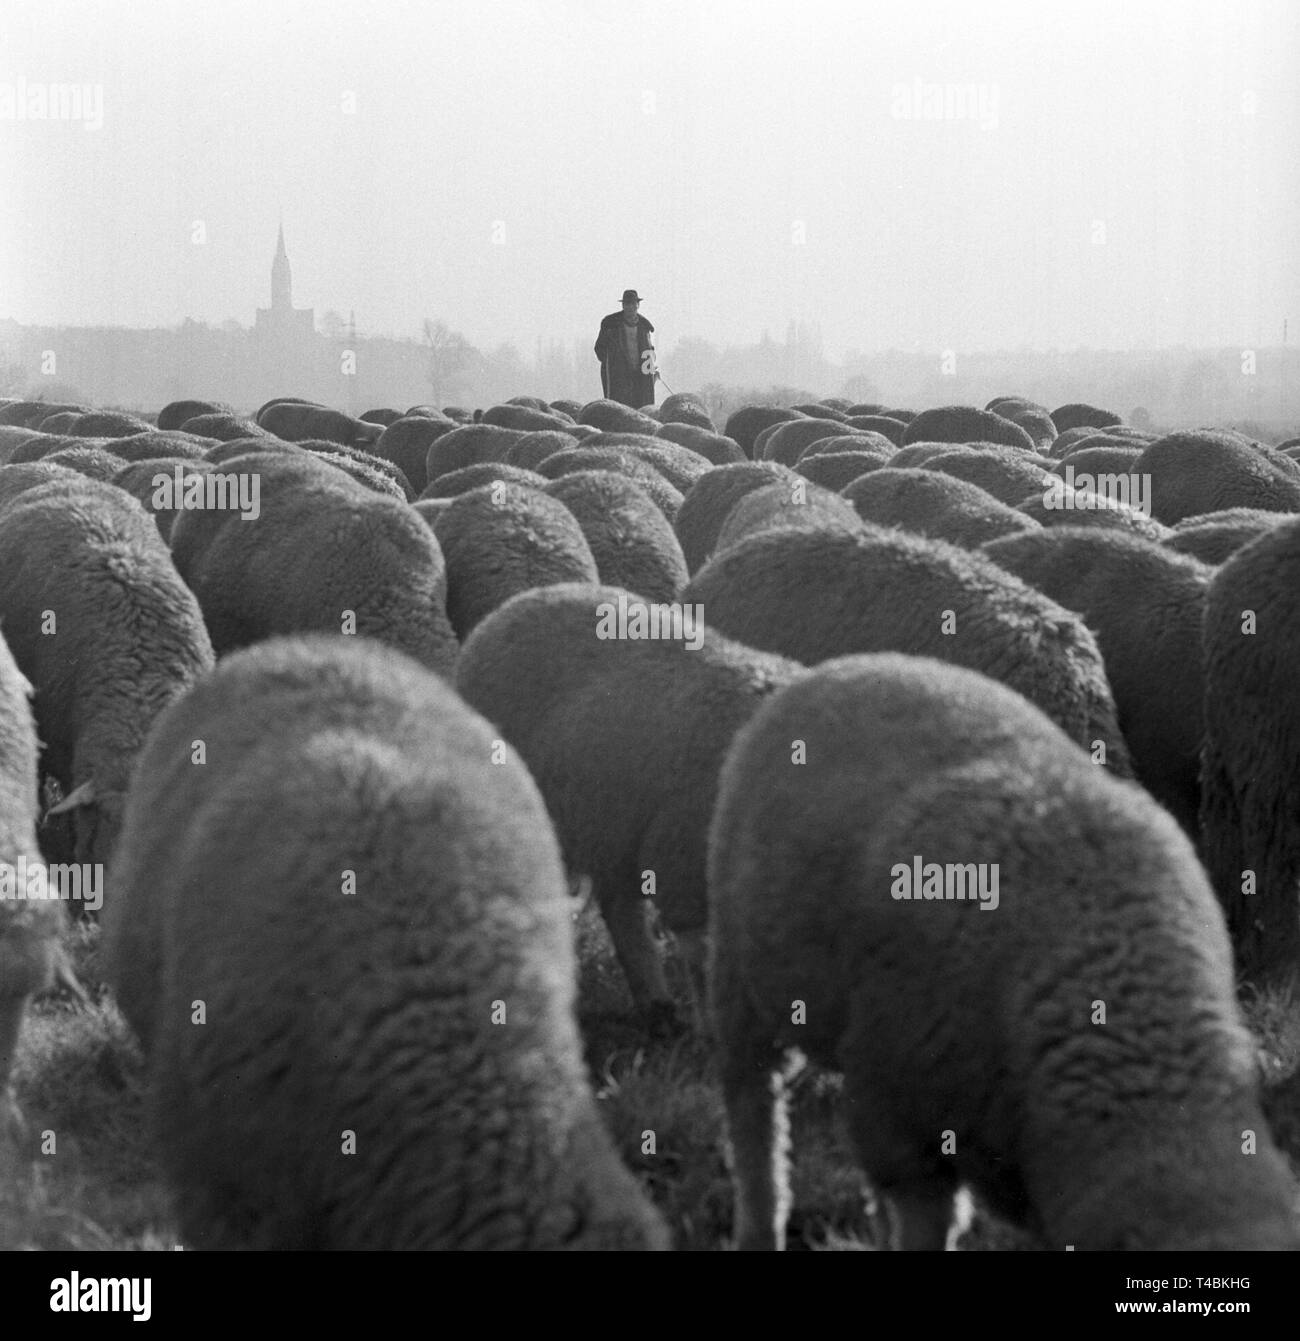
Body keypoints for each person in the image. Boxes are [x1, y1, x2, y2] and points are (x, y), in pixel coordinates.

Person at [594, 289, 658, 408]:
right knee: (619, 407)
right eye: (627, 304)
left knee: (642, 406)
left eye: (633, 304)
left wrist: (652, 367)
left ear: (637, 305)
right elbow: (599, 348)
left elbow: (650, 350)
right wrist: (613, 362)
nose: (630, 307)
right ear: (623, 306)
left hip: (640, 374)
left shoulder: (644, 327)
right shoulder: (610, 325)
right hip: (619, 376)